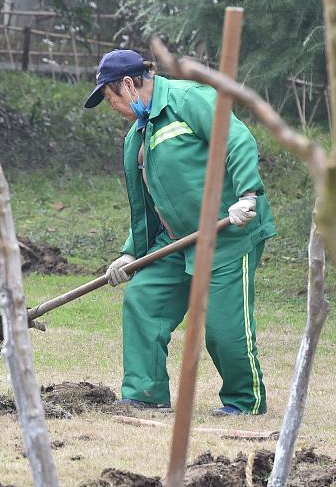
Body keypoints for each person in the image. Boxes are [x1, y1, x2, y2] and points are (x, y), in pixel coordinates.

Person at [85, 49, 275, 415]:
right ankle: (145, 393)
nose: (112, 107)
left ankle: (244, 400)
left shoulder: (189, 99)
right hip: (177, 240)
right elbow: (144, 206)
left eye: (111, 98)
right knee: (143, 299)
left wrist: (248, 194)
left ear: (129, 84)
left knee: (223, 327)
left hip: (229, 231)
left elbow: (237, 139)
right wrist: (131, 253)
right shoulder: (136, 140)